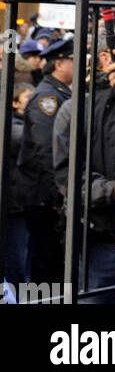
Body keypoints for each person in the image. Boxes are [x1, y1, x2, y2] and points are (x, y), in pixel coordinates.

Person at [53, 42, 115, 304]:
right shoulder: (74, 110)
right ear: (105, 58)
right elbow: (67, 179)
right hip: (100, 243)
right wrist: (111, 190)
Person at [17, 36, 73, 285]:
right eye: (72, 59)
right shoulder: (46, 99)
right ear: (59, 64)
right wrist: (59, 194)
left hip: (50, 194)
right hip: (44, 197)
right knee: (47, 263)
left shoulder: (59, 92)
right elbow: (47, 153)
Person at [4, 84, 34, 292]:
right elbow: (23, 139)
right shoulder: (13, 126)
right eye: (27, 97)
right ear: (14, 103)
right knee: (16, 263)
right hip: (12, 207)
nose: (32, 100)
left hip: (19, 204)